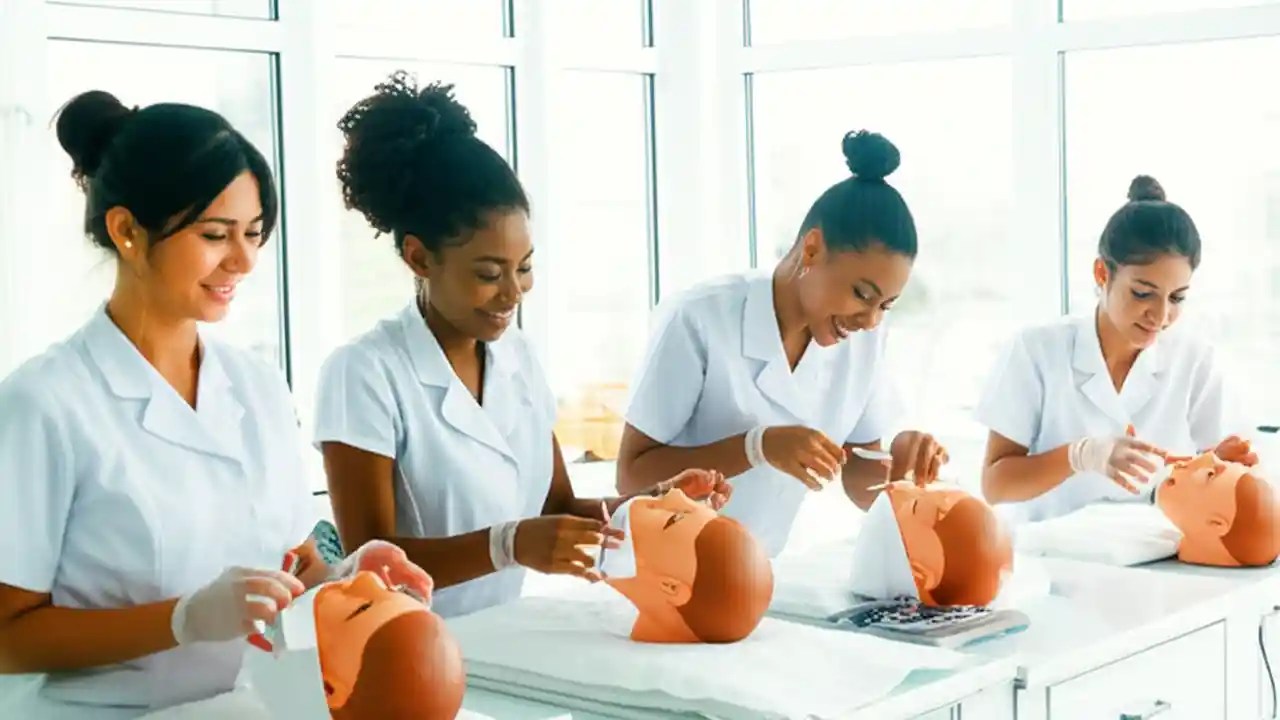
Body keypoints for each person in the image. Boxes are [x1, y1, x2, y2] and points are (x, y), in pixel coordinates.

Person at [0, 91, 426, 719]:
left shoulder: (257, 386)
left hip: (243, 707)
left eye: (253, 234)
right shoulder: (45, 403)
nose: (244, 260)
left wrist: (345, 577)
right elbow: (8, 636)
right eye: (214, 234)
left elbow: (291, 563)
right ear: (125, 230)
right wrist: (182, 620)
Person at [315, 71, 730, 620]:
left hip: (499, 638)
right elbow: (368, 562)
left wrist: (656, 506)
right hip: (403, 647)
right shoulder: (363, 373)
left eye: (525, 268)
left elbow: (557, 510)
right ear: (418, 258)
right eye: (489, 273)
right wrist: (505, 545)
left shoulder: (517, 356)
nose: (513, 293)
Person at [615, 130, 948, 557]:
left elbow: (859, 479)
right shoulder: (699, 318)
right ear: (812, 249)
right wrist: (757, 447)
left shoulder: (863, 338)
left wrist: (902, 472)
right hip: (662, 566)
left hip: (756, 569)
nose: (871, 319)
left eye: (888, 304)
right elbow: (631, 475)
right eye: (862, 295)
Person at [976, 175, 1252, 523]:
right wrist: (1080, 456)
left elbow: (1221, 489)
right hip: (1052, 559)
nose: (1161, 316)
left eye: (1177, 298)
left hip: (1161, 560)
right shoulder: (1037, 351)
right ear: (1101, 273)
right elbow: (995, 485)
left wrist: (1224, 467)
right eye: (1142, 293)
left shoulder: (1195, 361)